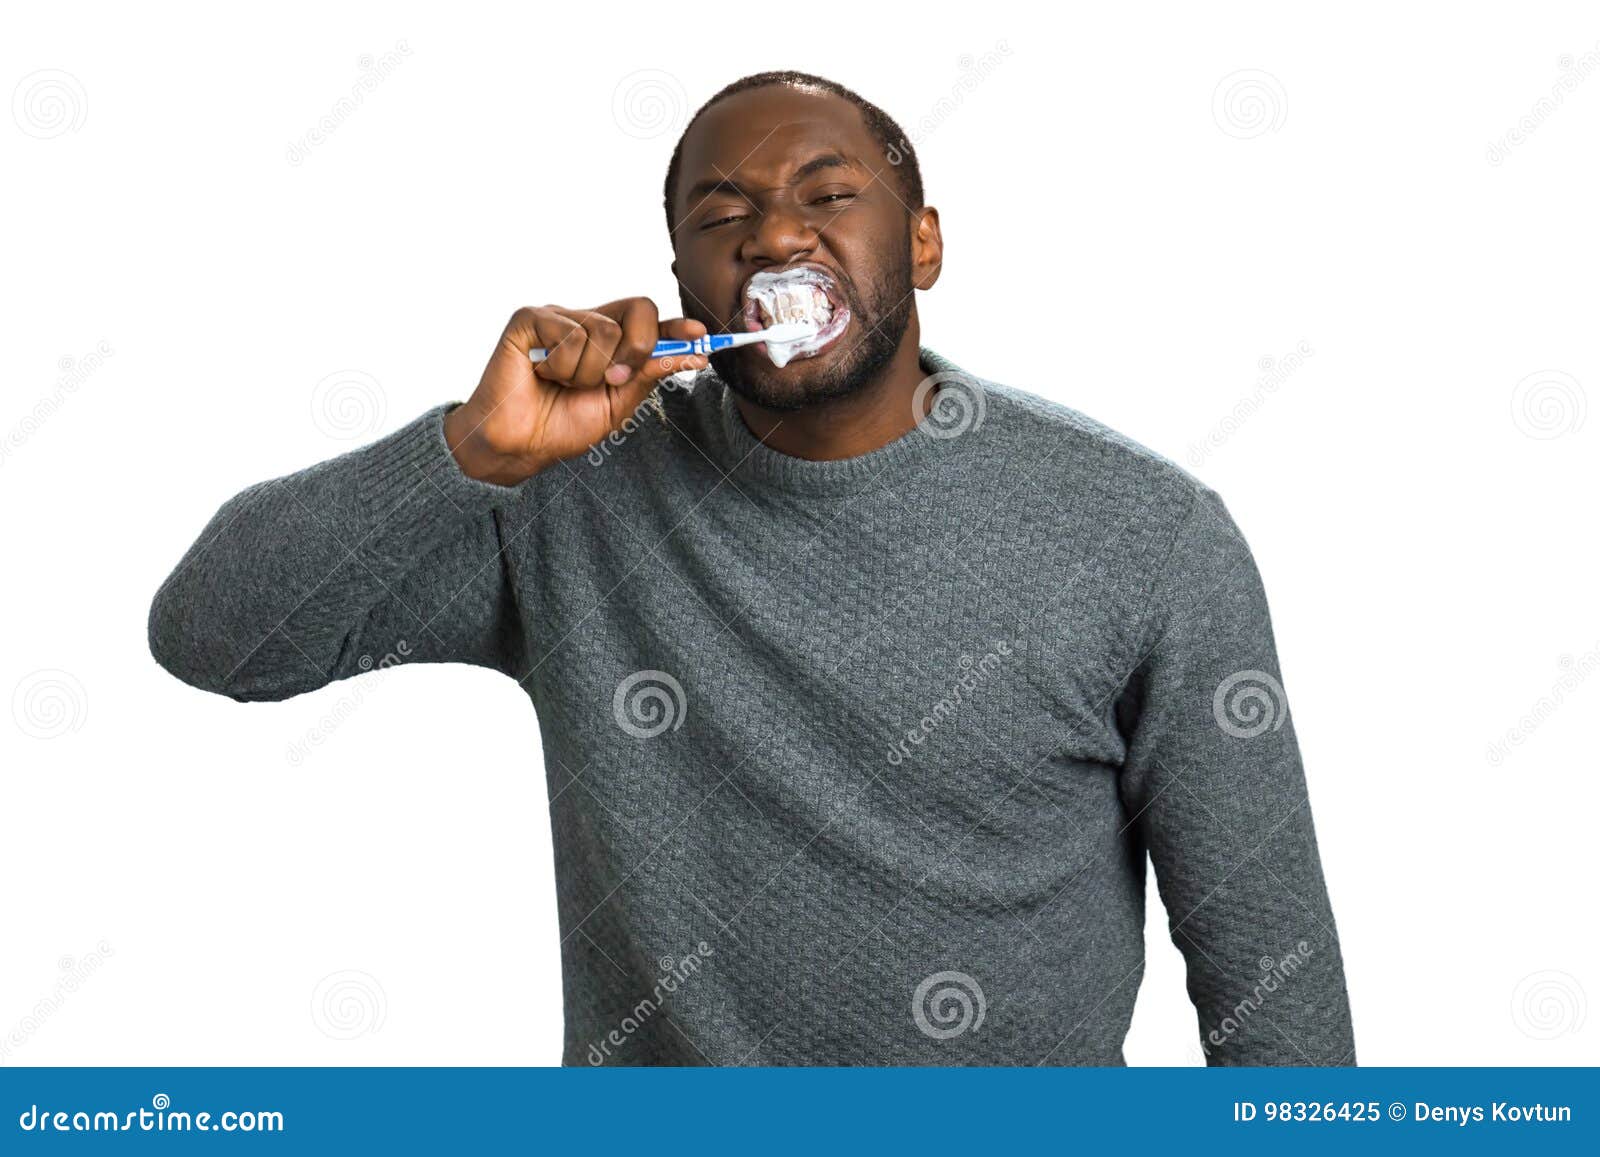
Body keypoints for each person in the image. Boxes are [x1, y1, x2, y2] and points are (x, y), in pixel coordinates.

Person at [149, 70, 1356, 1066]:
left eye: (829, 193)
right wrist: (470, 450)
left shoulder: (1142, 534)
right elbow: (214, 638)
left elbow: (1272, 983)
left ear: (922, 244)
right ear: (683, 281)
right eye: (723, 217)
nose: (776, 234)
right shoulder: (571, 495)